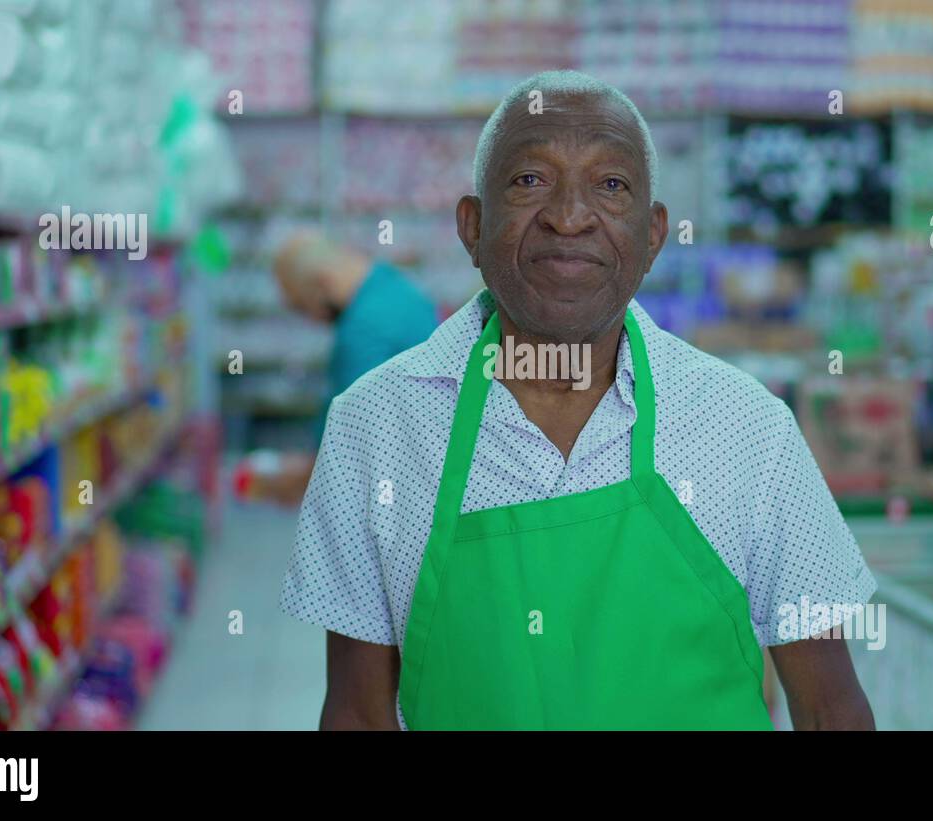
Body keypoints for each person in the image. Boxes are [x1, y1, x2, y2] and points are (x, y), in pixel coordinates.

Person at [281, 70, 877, 730]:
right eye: (530, 181)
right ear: (472, 227)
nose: (569, 216)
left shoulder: (746, 426)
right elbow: (357, 715)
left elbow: (831, 708)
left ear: (653, 236)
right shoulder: (374, 428)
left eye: (610, 185)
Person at [251, 231, 439, 506]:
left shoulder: (361, 331)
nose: (312, 320)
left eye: (303, 306)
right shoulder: (393, 284)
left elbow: (349, 444)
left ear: (322, 284)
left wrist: (288, 483)